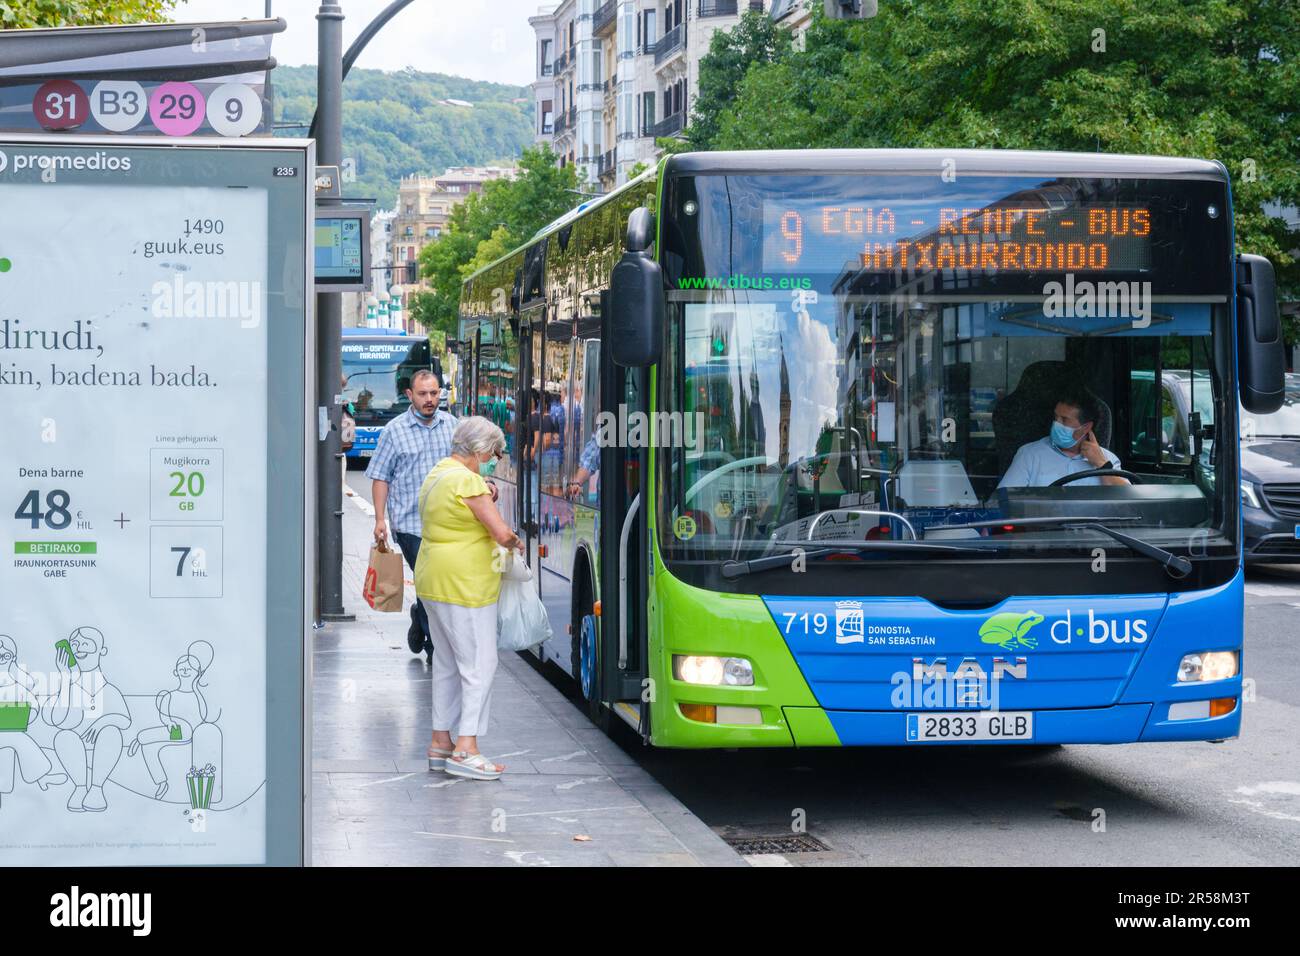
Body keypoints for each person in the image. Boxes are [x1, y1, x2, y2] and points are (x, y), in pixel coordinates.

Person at [416, 416, 523, 781]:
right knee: (479, 664)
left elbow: (458, 512)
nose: (496, 459)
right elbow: (500, 532)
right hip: (466, 585)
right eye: (495, 453)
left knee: (447, 662)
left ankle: (440, 743)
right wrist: (514, 541)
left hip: (433, 578)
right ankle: (467, 748)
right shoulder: (468, 480)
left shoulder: (440, 473)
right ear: (479, 450)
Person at [366, 369, 457, 660]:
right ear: (410, 395)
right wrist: (380, 519)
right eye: (423, 394)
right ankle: (435, 649)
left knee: (437, 583)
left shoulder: (453, 426)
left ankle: (420, 617)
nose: (430, 400)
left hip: (447, 524)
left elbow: (467, 468)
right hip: (411, 525)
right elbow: (381, 476)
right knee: (429, 582)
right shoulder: (395, 430)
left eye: (434, 393)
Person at [43, 627, 130, 812]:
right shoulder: (70, 686)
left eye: (85, 644)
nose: (79, 648)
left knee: (111, 731)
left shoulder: (109, 689)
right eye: (74, 644)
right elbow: (59, 721)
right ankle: (80, 788)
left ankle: (97, 789)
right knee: (63, 735)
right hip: (75, 744)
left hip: (103, 744)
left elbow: (125, 720)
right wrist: (65, 678)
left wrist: (101, 723)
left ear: (101, 650)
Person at [999, 390, 1129, 488]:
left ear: (1086, 427)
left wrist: (1101, 464)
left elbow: (1128, 502)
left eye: (1065, 420)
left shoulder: (1108, 459)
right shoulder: (1029, 455)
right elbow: (1005, 501)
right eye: (1056, 417)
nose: (1056, 423)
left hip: (1095, 525)